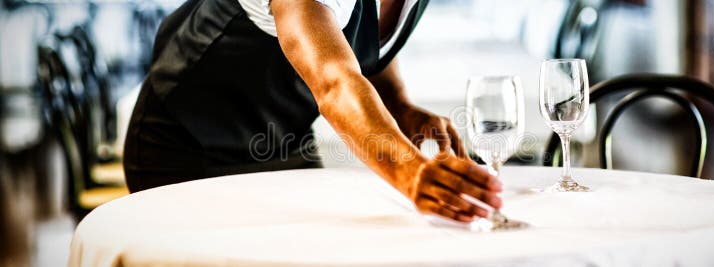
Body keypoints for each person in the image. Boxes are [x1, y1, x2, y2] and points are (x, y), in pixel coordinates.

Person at [124, 0, 502, 222]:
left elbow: (362, 39)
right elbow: (334, 80)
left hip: (280, 139)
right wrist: (411, 169)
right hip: (185, 142)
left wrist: (400, 105)